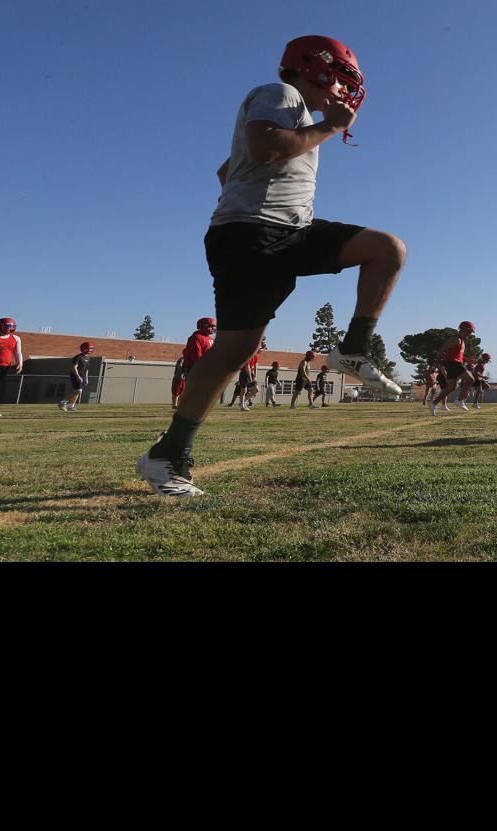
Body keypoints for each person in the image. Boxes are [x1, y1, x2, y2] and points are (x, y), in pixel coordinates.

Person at [137, 34, 405, 497]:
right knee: (233, 352)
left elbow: (229, 169)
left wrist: (258, 181)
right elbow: (263, 147)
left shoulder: (296, 113)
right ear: (317, 68)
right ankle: (166, 454)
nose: (344, 91)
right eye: (342, 80)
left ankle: (353, 348)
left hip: (290, 230)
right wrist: (329, 126)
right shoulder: (280, 93)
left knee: (386, 248)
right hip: (252, 234)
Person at [431, 321, 476, 415]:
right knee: (470, 379)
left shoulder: (462, 341)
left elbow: (458, 356)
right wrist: (435, 362)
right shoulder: (455, 339)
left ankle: (433, 403)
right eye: (471, 332)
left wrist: (468, 360)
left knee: (452, 387)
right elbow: (442, 349)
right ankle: (460, 400)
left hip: (453, 363)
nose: (471, 334)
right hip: (453, 364)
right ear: (465, 330)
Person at [60, 342, 93, 411]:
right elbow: (74, 367)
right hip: (75, 375)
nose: (90, 350)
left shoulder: (88, 357)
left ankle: (71, 406)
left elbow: (86, 369)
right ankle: (63, 402)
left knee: (78, 392)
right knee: (78, 391)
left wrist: (86, 378)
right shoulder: (78, 357)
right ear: (83, 349)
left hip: (82, 376)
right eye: (89, 348)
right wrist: (78, 376)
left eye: (91, 348)